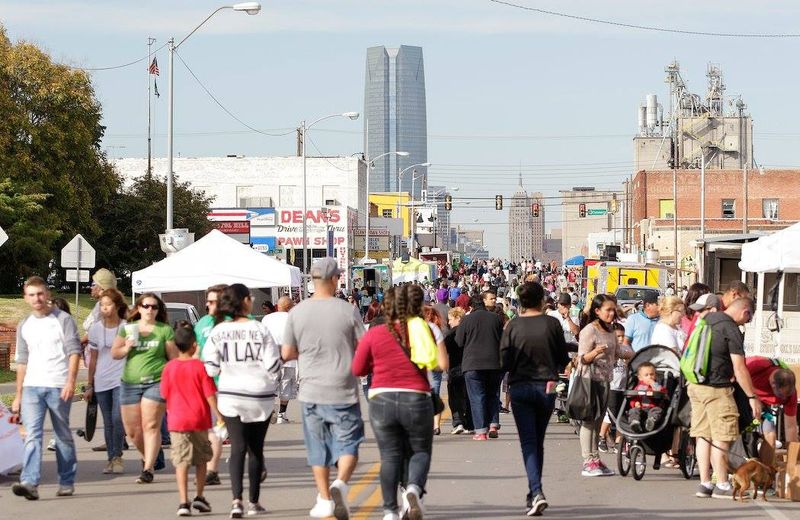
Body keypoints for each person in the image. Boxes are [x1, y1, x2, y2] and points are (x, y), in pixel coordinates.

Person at [352, 285, 449, 520]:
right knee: (420, 451)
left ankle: (389, 511)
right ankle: (413, 488)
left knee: (389, 456)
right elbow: (441, 364)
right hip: (416, 396)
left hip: (382, 398)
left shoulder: (374, 332)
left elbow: (358, 369)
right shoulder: (425, 328)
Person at [282, 258, 366, 520]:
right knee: (349, 443)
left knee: (318, 448)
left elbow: (287, 353)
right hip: (343, 389)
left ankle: (325, 499)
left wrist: (306, 352)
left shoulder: (297, 312)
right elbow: (363, 347)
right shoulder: (348, 311)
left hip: (311, 390)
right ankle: (340, 483)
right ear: (334, 279)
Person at [204, 284, 282, 518]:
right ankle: (253, 502)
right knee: (256, 449)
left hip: (230, 396)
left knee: (237, 447)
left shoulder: (219, 331)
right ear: (246, 301)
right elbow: (273, 366)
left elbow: (211, 368)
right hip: (259, 396)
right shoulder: (259, 329)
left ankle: (236, 501)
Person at [500, 282, 569, 516]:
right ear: (542, 301)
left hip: (520, 386)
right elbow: (562, 357)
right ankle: (534, 491)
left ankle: (536, 491)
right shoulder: (552, 324)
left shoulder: (513, 325)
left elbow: (504, 362)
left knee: (529, 442)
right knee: (538, 440)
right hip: (547, 386)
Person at [10, 277, 81, 500]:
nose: (37, 298)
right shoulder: (25, 324)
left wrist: (70, 382)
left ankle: (66, 481)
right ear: (25, 297)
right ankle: (30, 482)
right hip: (32, 386)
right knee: (32, 435)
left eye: (40, 293)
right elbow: (22, 361)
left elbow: (74, 352)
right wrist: (18, 394)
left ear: (47, 294)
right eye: (32, 295)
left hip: (58, 385)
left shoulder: (63, 320)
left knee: (62, 435)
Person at [689, 297, 762, 499]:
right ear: (745, 312)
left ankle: (705, 484)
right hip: (717, 388)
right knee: (722, 437)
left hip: (696, 385)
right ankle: (722, 484)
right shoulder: (730, 328)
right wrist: (752, 396)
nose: (746, 323)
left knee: (703, 435)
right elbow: (739, 368)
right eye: (748, 319)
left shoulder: (706, 319)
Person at [112, 293, 178, 484]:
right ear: (139, 308)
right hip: (130, 383)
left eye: (154, 307)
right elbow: (115, 353)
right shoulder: (128, 329)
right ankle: (150, 456)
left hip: (156, 382)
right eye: (146, 306)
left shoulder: (164, 330)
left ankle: (148, 468)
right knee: (133, 431)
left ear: (158, 310)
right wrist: (127, 347)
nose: (150, 309)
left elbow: (173, 358)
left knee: (151, 425)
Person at [161, 325, 217, 517]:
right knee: (201, 460)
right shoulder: (200, 367)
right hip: (199, 420)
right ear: (194, 345)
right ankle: (199, 496)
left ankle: (183, 501)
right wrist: (220, 415)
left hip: (177, 421)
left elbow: (164, 394)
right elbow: (209, 394)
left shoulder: (169, 368)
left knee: (181, 461)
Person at [577, 294, 634, 477]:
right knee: (589, 421)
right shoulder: (589, 330)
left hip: (605, 380)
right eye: (608, 310)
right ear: (597, 311)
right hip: (589, 381)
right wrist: (595, 352)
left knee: (598, 421)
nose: (611, 313)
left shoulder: (610, 330)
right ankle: (588, 461)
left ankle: (596, 459)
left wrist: (633, 353)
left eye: (613, 310)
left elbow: (618, 351)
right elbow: (582, 359)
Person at [85, 288, 128, 474]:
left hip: (121, 379)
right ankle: (112, 458)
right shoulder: (95, 329)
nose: (104, 308)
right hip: (102, 380)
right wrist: (89, 385)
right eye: (102, 305)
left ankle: (117, 455)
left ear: (117, 306)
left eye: (108, 304)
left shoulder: (126, 327)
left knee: (117, 418)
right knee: (108, 421)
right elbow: (93, 358)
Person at [455, 291, 504, 440]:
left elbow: (459, 341)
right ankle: (493, 424)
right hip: (494, 363)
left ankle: (481, 432)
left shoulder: (466, 320)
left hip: (473, 363)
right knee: (493, 394)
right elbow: (502, 339)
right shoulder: (496, 318)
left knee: (477, 397)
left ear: (471, 307)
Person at [194, 284, 227, 486]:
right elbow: (196, 351)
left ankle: (255, 464)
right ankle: (212, 470)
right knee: (212, 429)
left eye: (214, 301)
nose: (209, 305)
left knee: (239, 431)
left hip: (234, 385)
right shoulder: (203, 322)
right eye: (208, 301)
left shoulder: (239, 320)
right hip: (207, 383)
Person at [745, 357, 798, 466]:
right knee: (746, 435)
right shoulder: (758, 365)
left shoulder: (790, 395)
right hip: (743, 402)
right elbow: (735, 373)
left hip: (763, 411)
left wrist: (792, 461)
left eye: (786, 396)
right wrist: (752, 398)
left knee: (771, 435)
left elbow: (790, 427)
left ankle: (766, 470)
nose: (783, 398)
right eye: (780, 395)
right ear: (772, 384)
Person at [262, 296, 297, 424]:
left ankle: (270, 411)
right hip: (289, 357)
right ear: (289, 307)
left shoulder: (267, 318)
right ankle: (282, 415)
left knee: (270, 384)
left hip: (270, 357)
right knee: (286, 384)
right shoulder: (293, 318)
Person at [598, 323, 627, 453]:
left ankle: (618, 443)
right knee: (611, 415)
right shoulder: (608, 349)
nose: (621, 339)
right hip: (612, 387)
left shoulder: (626, 349)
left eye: (622, 336)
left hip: (623, 387)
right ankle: (601, 436)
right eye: (618, 336)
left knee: (622, 415)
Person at [445, 307, 473, 434]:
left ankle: (458, 422)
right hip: (469, 367)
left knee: (454, 396)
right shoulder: (470, 332)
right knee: (468, 396)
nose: (449, 322)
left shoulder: (451, 334)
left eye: (450, 319)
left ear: (457, 318)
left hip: (455, 367)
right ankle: (469, 423)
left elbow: (445, 349)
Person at [627, 362, 665, 433]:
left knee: (658, 410)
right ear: (640, 378)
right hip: (641, 409)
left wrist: (654, 384)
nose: (649, 377)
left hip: (652, 408)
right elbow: (633, 397)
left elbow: (663, 391)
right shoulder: (638, 387)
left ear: (655, 375)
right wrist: (635, 403)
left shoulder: (656, 385)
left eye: (652, 374)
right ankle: (635, 423)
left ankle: (651, 421)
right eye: (646, 375)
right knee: (633, 410)